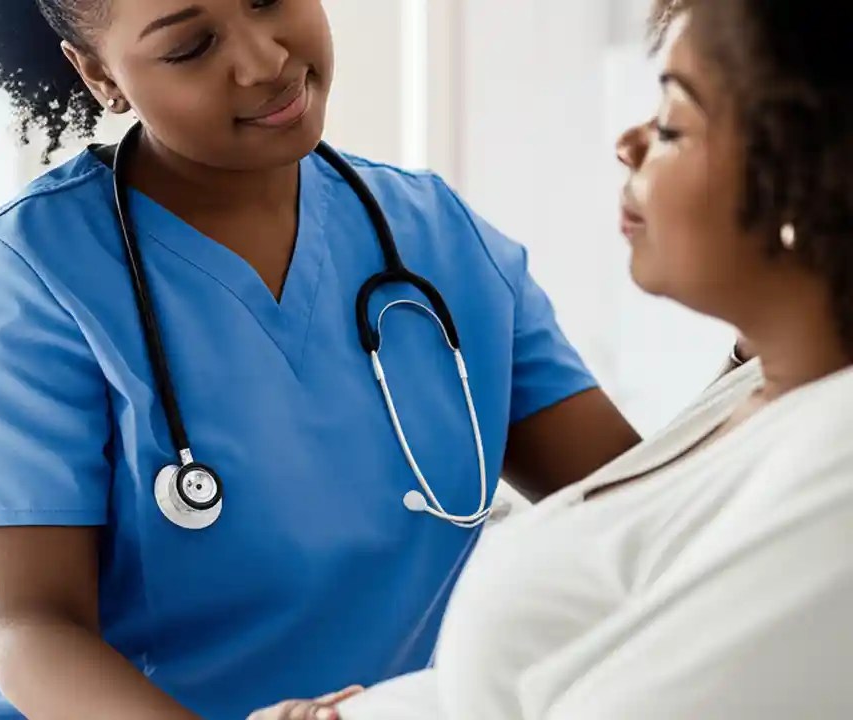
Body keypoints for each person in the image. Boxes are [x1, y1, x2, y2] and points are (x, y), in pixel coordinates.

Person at [0, 1, 645, 718]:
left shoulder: (439, 239)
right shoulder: (22, 276)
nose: (264, 61)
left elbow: (642, 513)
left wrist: (755, 354)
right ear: (99, 74)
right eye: (191, 46)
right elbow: (29, 627)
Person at [252, 1, 853, 718]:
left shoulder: (835, 458)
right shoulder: (766, 383)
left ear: (810, 173)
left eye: (671, 124)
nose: (629, 143)